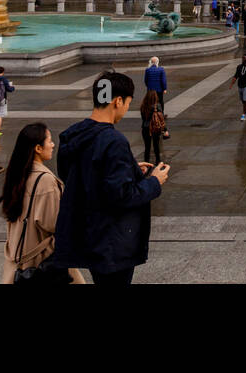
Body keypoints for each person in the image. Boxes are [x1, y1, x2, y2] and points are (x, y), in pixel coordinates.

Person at [53, 71, 168, 285]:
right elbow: (122, 196)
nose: (126, 109)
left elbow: (73, 175)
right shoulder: (114, 141)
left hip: (87, 233)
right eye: (127, 104)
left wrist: (130, 168)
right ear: (117, 101)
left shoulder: (74, 134)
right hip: (111, 240)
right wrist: (154, 182)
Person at [0, 122, 86, 284]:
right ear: (38, 148)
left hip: (18, 258)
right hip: (42, 261)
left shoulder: (18, 173)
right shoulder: (45, 180)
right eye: (49, 141)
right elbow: (54, 224)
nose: (53, 145)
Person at [139, 91, 165, 164]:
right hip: (155, 128)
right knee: (156, 145)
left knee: (147, 147)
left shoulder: (143, 106)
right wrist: (165, 129)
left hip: (145, 128)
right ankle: (158, 160)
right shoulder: (157, 106)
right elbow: (161, 118)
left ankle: (146, 162)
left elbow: (143, 118)